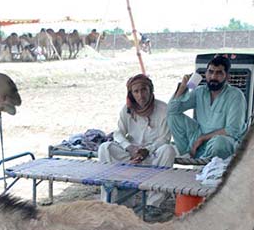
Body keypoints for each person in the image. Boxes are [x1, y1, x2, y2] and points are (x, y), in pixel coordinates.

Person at [97, 74, 175, 214]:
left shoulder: (163, 109)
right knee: (105, 148)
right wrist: (129, 147)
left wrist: (147, 150)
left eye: (144, 90)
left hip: (152, 156)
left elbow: (164, 139)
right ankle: (109, 200)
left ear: (150, 90)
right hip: (131, 156)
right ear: (131, 93)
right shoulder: (127, 109)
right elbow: (118, 133)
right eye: (136, 91)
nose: (141, 95)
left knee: (168, 150)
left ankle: (153, 204)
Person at [167, 54, 246, 161]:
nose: (213, 77)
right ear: (205, 73)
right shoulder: (200, 91)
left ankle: (208, 166)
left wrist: (202, 138)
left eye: (219, 73)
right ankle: (187, 154)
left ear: (227, 77)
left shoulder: (236, 95)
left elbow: (233, 130)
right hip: (199, 136)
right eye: (210, 72)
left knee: (220, 142)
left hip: (222, 141)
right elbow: (172, 110)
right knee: (173, 117)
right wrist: (182, 87)